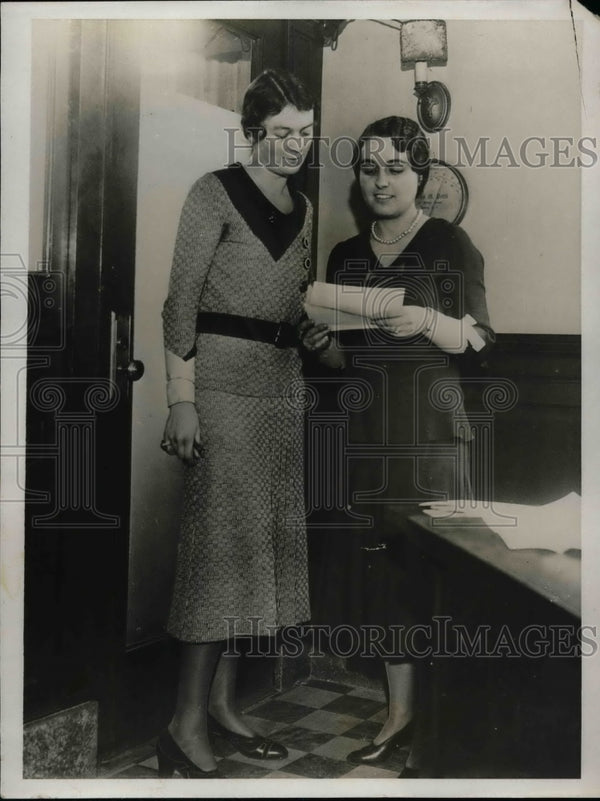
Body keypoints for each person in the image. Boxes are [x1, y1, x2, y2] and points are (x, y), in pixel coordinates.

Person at [157, 68, 331, 779]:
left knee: (254, 552)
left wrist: (313, 332)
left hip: (281, 388)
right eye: (283, 133)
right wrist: (181, 396)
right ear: (254, 132)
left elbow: (291, 305)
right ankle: (182, 722)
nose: (296, 146)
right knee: (218, 555)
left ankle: (224, 708)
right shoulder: (212, 191)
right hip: (221, 386)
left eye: (306, 133)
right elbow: (180, 302)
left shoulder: (308, 208)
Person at [313, 116, 494, 776]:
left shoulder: (448, 243)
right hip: (368, 435)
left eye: (395, 167)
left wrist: (425, 319)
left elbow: (476, 340)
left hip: (430, 432)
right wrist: (322, 347)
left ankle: (440, 730)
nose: (381, 180)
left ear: (421, 173)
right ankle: (399, 717)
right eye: (369, 168)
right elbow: (346, 357)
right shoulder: (344, 257)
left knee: (436, 575)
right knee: (385, 580)